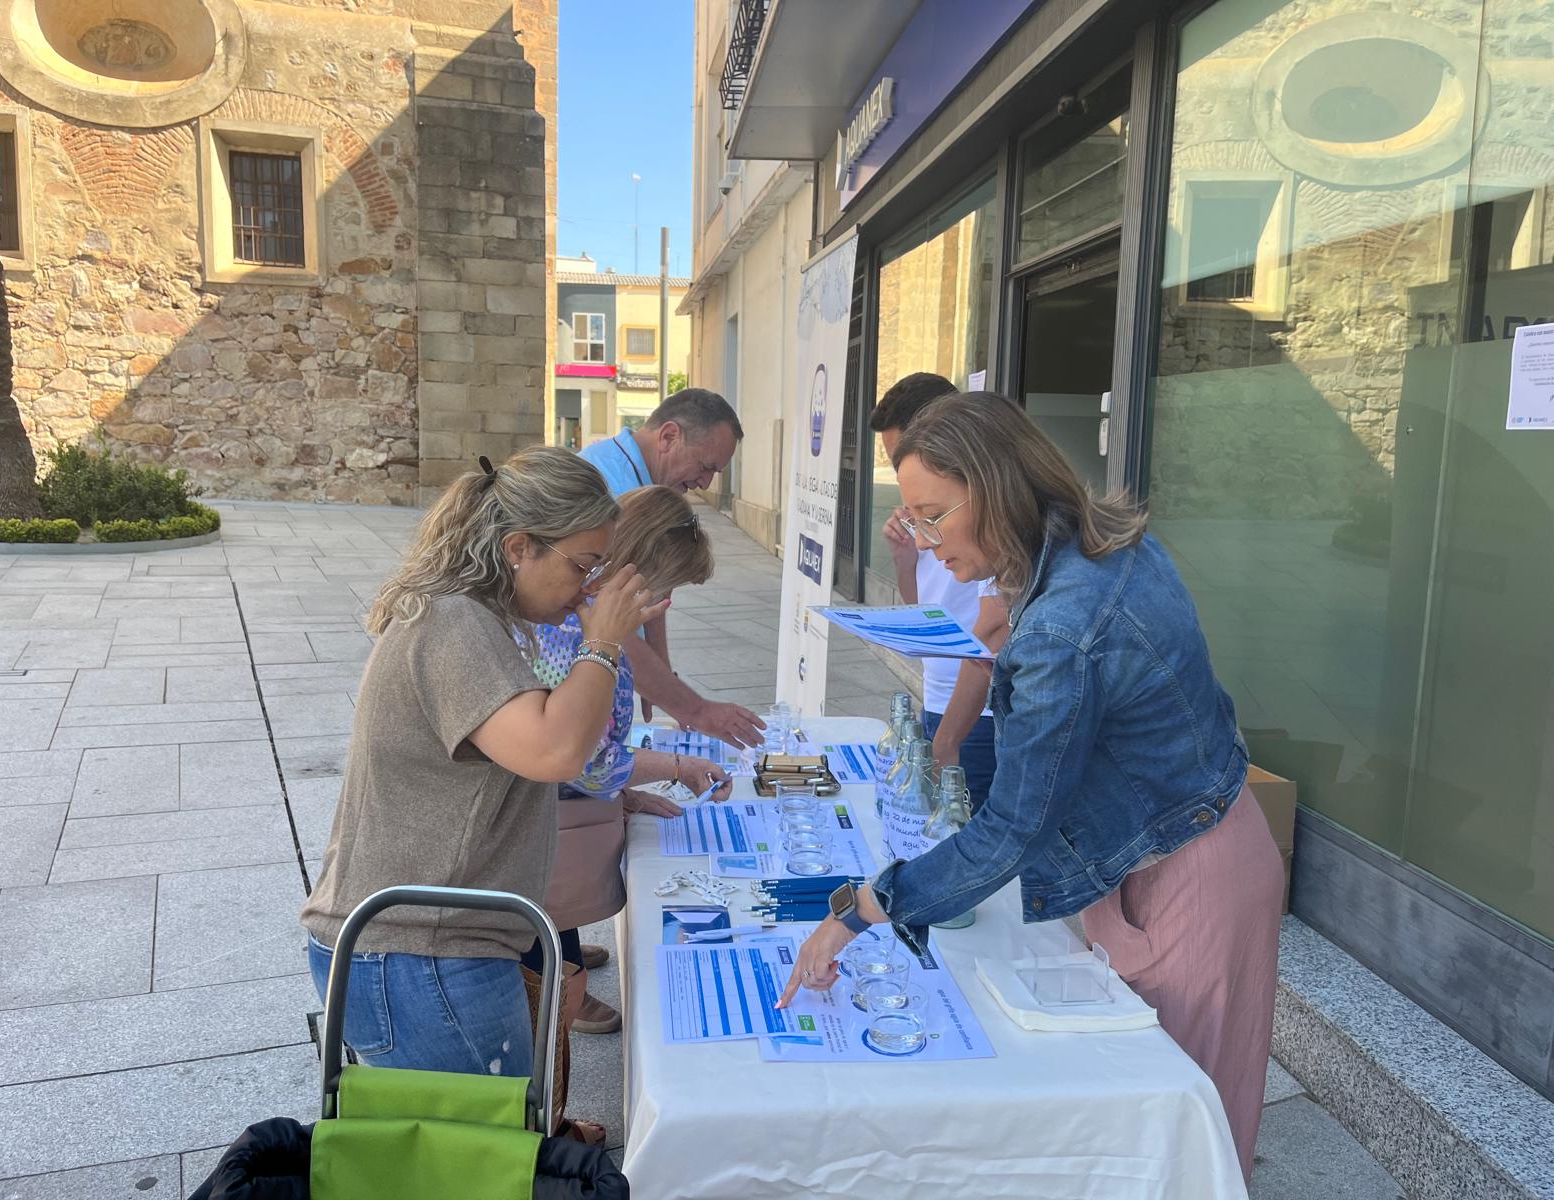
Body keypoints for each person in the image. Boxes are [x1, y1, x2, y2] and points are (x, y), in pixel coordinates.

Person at [779, 393, 1282, 1183]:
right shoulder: (1084, 554)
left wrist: (860, 909)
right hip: (1152, 843)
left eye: (933, 515)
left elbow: (1014, 826)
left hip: (1190, 872)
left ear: (999, 487)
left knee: (1180, 1135)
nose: (923, 539)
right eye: (910, 518)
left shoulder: (1061, 626)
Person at [301, 447, 665, 1120]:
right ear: (519, 548)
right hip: (421, 954)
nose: (589, 587)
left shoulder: (472, 617)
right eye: (584, 565)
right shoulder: (454, 624)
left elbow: (541, 754)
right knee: (483, 1163)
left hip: (422, 949)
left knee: (476, 1153)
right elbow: (555, 747)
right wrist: (605, 642)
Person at [529, 486, 731, 1041]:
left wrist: (626, 790)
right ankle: (555, 979)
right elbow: (583, 759)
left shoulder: (591, 624)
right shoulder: (574, 630)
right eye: (668, 586)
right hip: (537, 829)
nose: (666, 602)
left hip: (556, 817)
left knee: (552, 911)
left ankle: (560, 950)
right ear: (635, 570)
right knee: (541, 928)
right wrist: (672, 765)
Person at [578, 388, 764, 748]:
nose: (705, 483)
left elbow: (652, 599)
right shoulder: (608, 488)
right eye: (705, 466)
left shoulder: (641, 479)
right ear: (668, 436)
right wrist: (694, 709)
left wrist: (663, 679)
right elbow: (605, 624)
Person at [871, 372, 1006, 810]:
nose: (927, 537)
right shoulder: (934, 516)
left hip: (978, 714)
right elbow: (925, 609)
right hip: (942, 695)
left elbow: (992, 631)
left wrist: (948, 741)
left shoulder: (1001, 527)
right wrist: (904, 558)